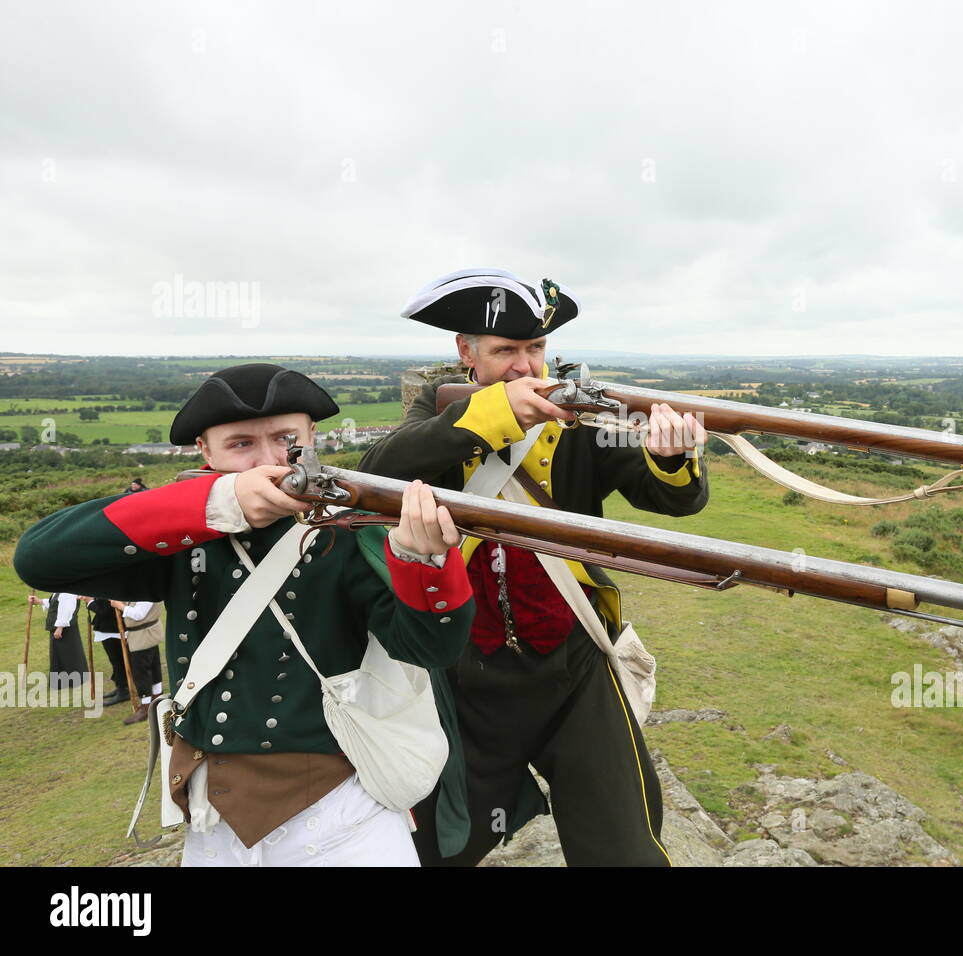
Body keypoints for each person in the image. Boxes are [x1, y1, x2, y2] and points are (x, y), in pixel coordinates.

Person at [16, 363, 475, 867]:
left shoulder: (347, 532)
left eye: (286, 440)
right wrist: (217, 503)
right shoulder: (184, 529)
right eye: (240, 445)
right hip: (210, 819)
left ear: (311, 437)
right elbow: (38, 558)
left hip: (342, 817)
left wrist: (424, 561)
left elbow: (431, 648)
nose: (269, 462)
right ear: (204, 452)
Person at [360, 268, 708, 866]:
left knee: (623, 848)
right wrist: (494, 416)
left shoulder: (579, 414)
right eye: (506, 351)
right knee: (438, 848)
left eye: (536, 348)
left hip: (573, 662)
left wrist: (669, 455)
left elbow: (672, 500)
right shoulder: (441, 414)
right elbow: (381, 470)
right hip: (464, 672)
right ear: (465, 352)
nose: (526, 366)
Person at [28, 592, 88, 692]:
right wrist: (39, 601)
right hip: (60, 627)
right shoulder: (60, 591)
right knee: (59, 653)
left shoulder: (66, 592)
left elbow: (67, 608)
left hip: (64, 628)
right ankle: (63, 681)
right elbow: (55, 604)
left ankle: (73, 679)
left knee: (68, 653)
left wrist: (60, 627)